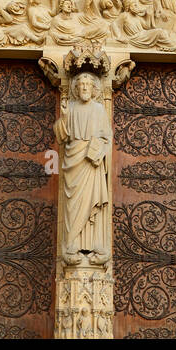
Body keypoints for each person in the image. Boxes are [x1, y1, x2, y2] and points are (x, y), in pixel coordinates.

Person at [55, 73, 111, 265]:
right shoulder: (69, 108)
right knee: (73, 205)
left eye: (88, 84)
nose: (85, 88)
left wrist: (97, 150)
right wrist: (63, 117)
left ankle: (95, 243)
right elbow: (61, 136)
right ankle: (71, 245)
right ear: (75, 89)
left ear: (94, 89)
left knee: (92, 202)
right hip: (74, 161)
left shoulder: (99, 109)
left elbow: (107, 137)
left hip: (91, 161)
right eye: (81, 85)